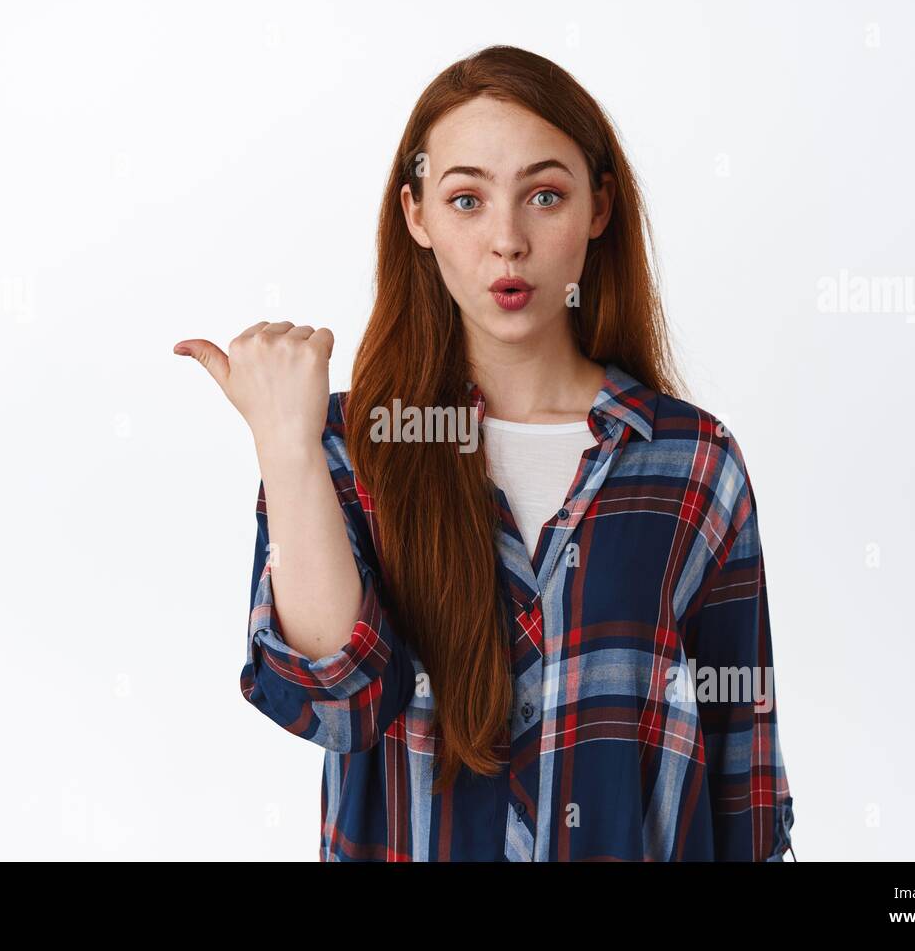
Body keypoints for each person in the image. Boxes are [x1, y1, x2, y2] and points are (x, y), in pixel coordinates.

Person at [174, 44, 795, 862]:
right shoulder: (349, 449)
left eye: (544, 195)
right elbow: (336, 704)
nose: (508, 241)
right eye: (467, 200)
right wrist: (286, 444)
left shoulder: (691, 463)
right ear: (417, 216)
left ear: (599, 208)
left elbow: (741, 778)